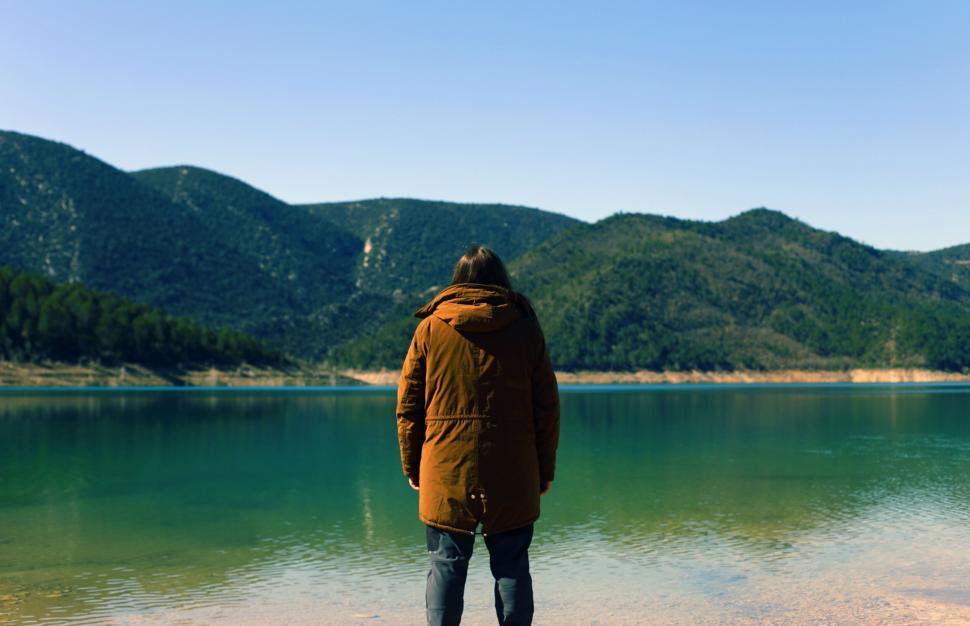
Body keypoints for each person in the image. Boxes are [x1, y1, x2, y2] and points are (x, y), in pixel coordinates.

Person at [396, 245, 560, 626]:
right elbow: (547, 407)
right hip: (513, 469)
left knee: (445, 564)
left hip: (445, 467)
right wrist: (544, 469)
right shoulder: (525, 328)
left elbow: (407, 407)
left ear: (457, 281)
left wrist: (412, 464)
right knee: (512, 565)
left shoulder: (430, 329)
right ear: (502, 279)